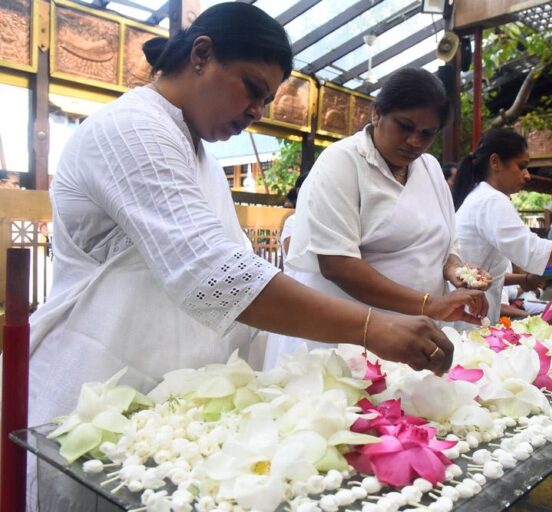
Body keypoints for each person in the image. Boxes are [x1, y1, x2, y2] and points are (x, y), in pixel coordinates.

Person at [26, 6, 453, 510]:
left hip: (172, 407)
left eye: (266, 99)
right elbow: (213, 275)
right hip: (96, 396)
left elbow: (227, 266)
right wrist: (370, 327)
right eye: (252, 88)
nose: (258, 111)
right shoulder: (132, 129)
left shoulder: (192, 146)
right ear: (201, 54)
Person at [264, 67, 489, 369]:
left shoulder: (431, 168)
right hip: (347, 339)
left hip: (415, 334)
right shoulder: (341, 161)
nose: (414, 141)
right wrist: (429, 304)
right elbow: (338, 265)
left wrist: (457, 270)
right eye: (404, 126)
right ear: (376, 114)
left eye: (427, 134)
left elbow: (445, 242)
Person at [453, 127, 552, 324]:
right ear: (495, 162)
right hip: (469, 320)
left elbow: (489, 272)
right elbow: (535, 254)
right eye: (521, 167)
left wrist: (523, 280)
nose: (527, 176)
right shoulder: (491, 200)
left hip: (470, 314)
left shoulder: (481, 196)